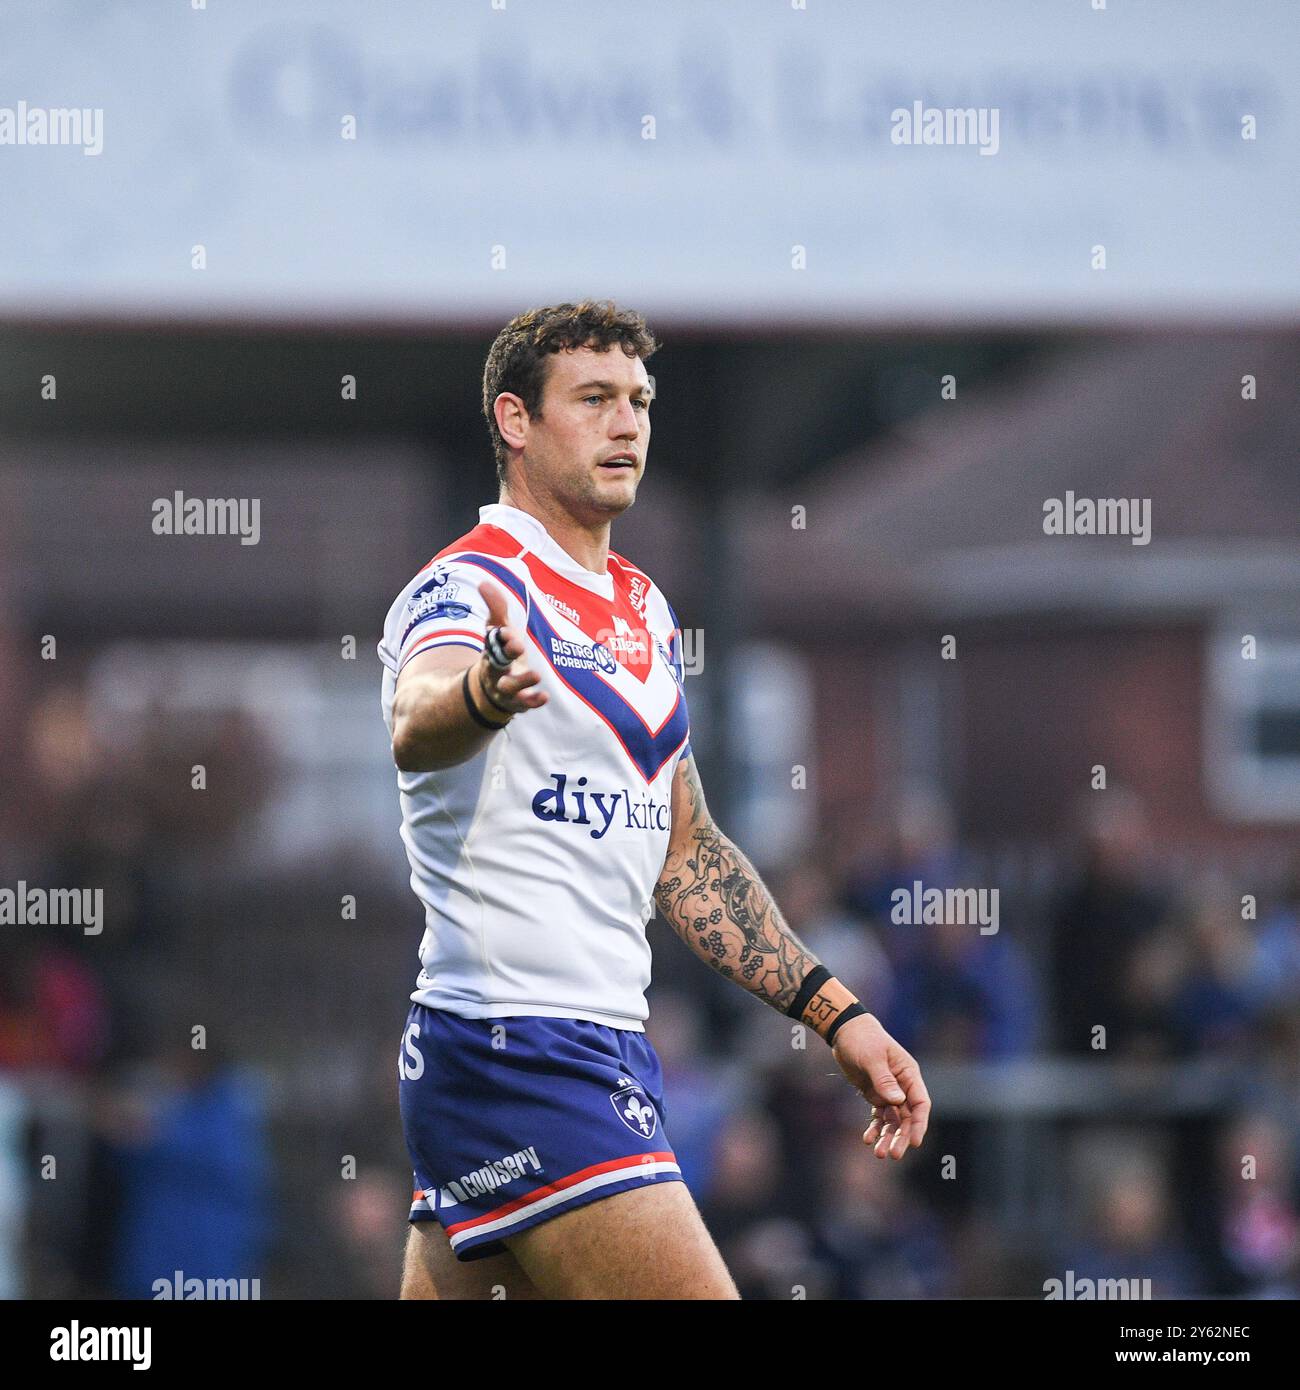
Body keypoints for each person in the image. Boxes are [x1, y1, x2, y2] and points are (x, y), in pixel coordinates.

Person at [378, 300, 930, 1299]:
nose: (627, 422)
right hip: (519, 1045)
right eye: (592, 399)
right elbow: (416, 719)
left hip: (595, 1043)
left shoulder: (643, 606)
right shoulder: (466, 585)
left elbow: (684, 850)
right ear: (515, 420)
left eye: (639, 400)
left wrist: (835, 1011)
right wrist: (480, 694)